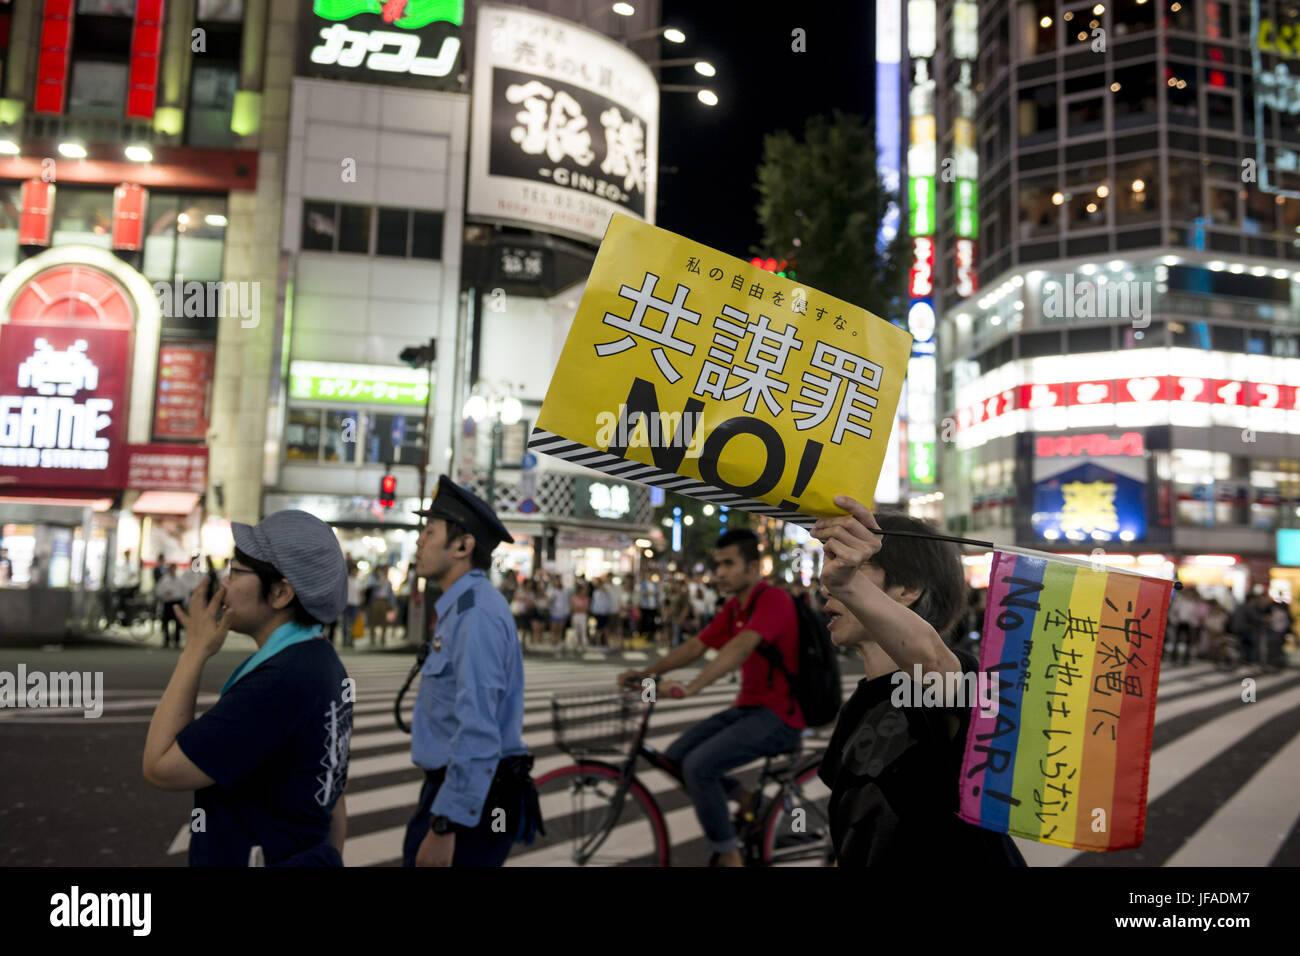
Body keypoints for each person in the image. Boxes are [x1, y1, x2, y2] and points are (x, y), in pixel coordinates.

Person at [811, 496, 1026, 867]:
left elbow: (929, 655)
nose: (827, 586)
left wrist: (848, 586)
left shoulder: (949, 678)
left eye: (856, 569)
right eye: (831, 571)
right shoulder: (858, 706)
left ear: (908, 589)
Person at [142, 510, 353, 866]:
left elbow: (160, 766)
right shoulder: (321, 660)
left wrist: (195, 651)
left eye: (236, 571)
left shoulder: (279, 682)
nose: (224, 584)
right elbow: (334, 796)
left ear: (281, 593)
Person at [617, 529, 804, 868]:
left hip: (780, 716)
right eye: (718, 564)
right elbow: (696, 645)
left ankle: (728, 854)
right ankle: (746, 800)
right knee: (675, 758)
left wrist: (693, 687)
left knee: (699, 767)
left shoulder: (773, 599)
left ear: (753, 566)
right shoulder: (735, 607)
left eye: (729, 564)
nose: (719, 572)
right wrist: (647, 672)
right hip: (749, 709)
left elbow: (741, 646)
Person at [403, 476, 539, 867]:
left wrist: (446, 825)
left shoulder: (475, 614)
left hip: (470, 802)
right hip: (461, 791)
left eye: (429, 532)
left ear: (463, 546)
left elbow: (479, 728)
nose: (419, 541)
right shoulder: (462, 607)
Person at [156, 565, 187, 648]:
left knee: (178, 622)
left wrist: (184, 601)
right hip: (168, 602)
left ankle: (177, 641)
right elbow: (158, 591)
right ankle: (166, 640)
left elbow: (184, 591)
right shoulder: (164, 580)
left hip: (177, 602)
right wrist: (164, 593)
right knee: (166, 622)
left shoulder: (180, 579)